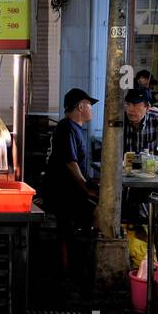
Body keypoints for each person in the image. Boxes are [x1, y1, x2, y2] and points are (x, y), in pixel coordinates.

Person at [45, 88, 99, 225]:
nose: (92, 109)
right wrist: (87, 188)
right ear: (81, 107)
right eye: (89, 105)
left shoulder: (73, 128)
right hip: (65, 194)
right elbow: (70, 162)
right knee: (101, 212)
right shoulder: (67, 127)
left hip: (71, 191)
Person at [123, 88, 158, 155]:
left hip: (149, 164)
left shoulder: (157, 120)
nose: (130, 109)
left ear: (147, 108)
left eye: (135, 105)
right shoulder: (121, 121)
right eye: (128, 104)